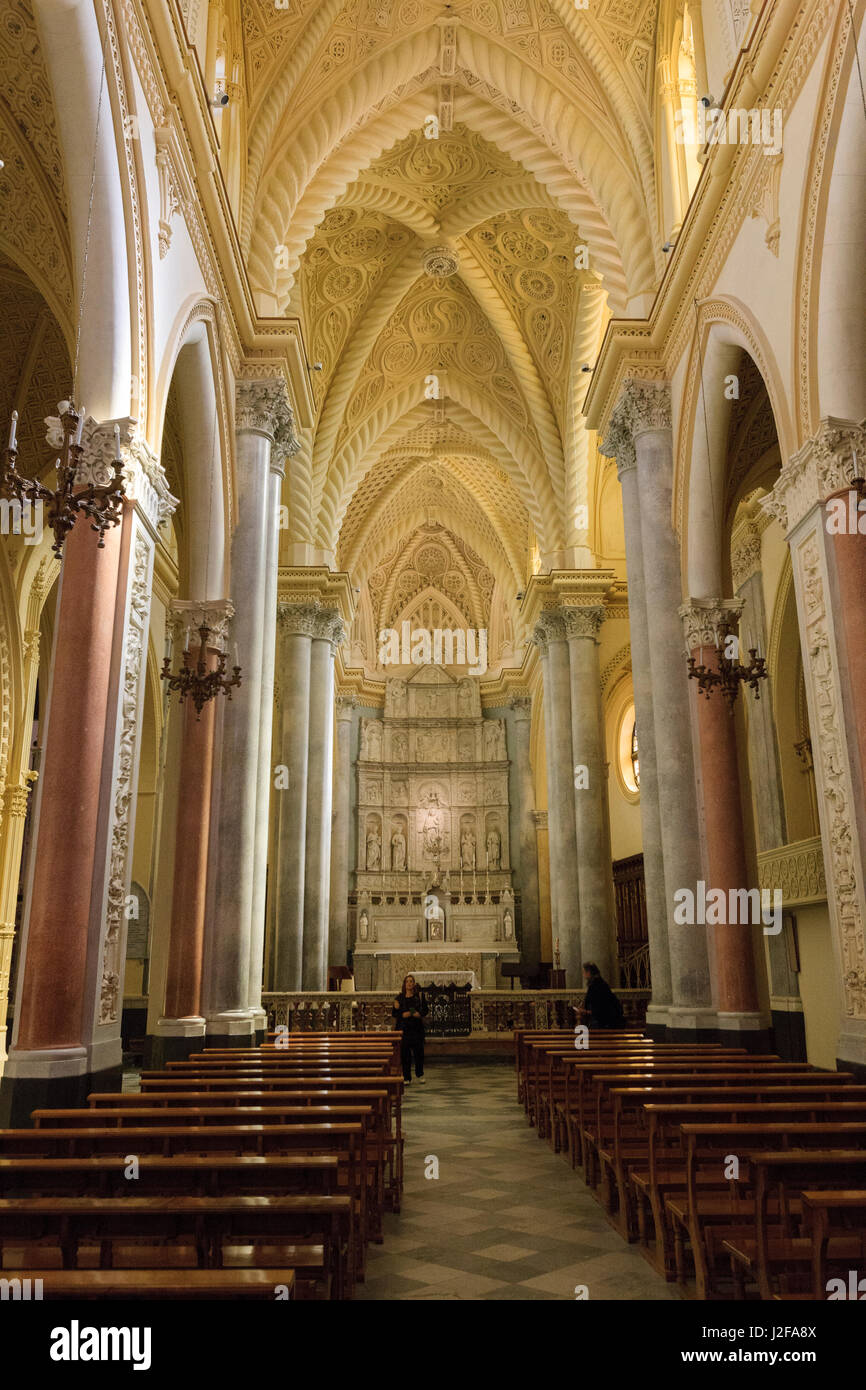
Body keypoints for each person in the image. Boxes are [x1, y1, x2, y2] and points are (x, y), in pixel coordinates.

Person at [392, 974, 428, 1083]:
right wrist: (402, 1014)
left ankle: (420, 1074)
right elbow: (394, 1013)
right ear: (404, 984)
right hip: (404, 1028)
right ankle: (407, 1077)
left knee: (419, 1053)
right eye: (407, 981)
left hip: (416, 1028)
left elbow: (425, 1010)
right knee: (405, 1054)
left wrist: (415, 1013)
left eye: (411, 981)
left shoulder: (419, 996)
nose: (409, 983)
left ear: (414, 983)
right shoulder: (399, 998)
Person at [577, 961, 624, 1029]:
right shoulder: (599, 983)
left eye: (584, 972)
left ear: (589, 972)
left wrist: (585, 1011)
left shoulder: (596, 985)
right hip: (605, 1020)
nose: (583, 974)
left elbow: (600, 1008)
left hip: (604, 1022)